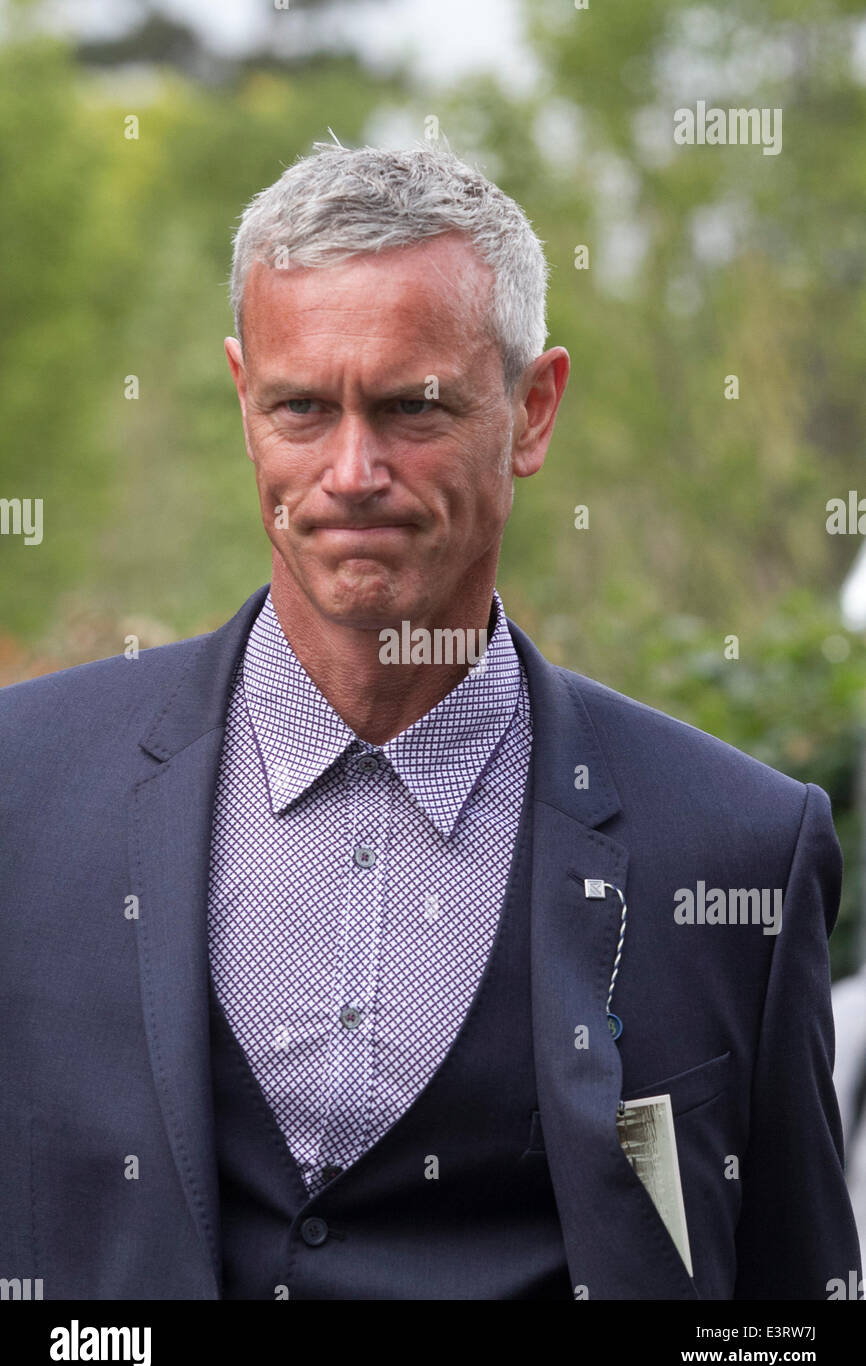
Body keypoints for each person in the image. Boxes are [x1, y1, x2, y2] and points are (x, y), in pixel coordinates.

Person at [0, 143, 859, 1301]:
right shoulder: (23, 791)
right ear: (242, 403)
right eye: (301, 406)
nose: (351, 470)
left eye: (411, 408)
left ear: (531, 411)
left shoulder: (734, 844)